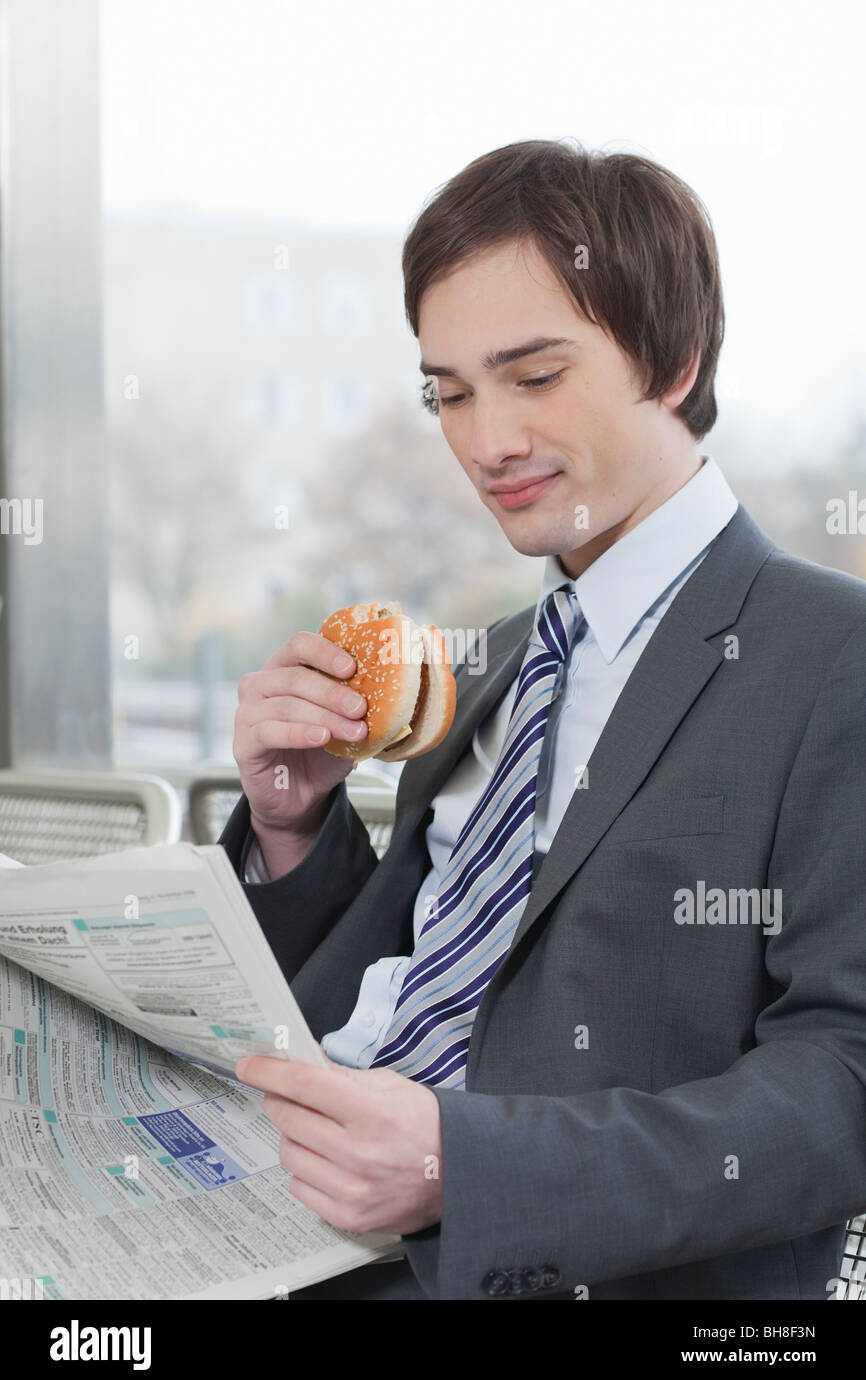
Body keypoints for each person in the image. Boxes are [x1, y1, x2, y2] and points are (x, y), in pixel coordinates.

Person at [219, 139, 866, 1300]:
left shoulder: (831, 655)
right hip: (291, 1234)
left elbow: (842, 1086)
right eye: (449, 392)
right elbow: (387, 979)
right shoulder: (500, 664)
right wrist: (290, 826)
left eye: (532, 375)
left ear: (672, 359)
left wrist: (464, 1168)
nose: (485, 442)